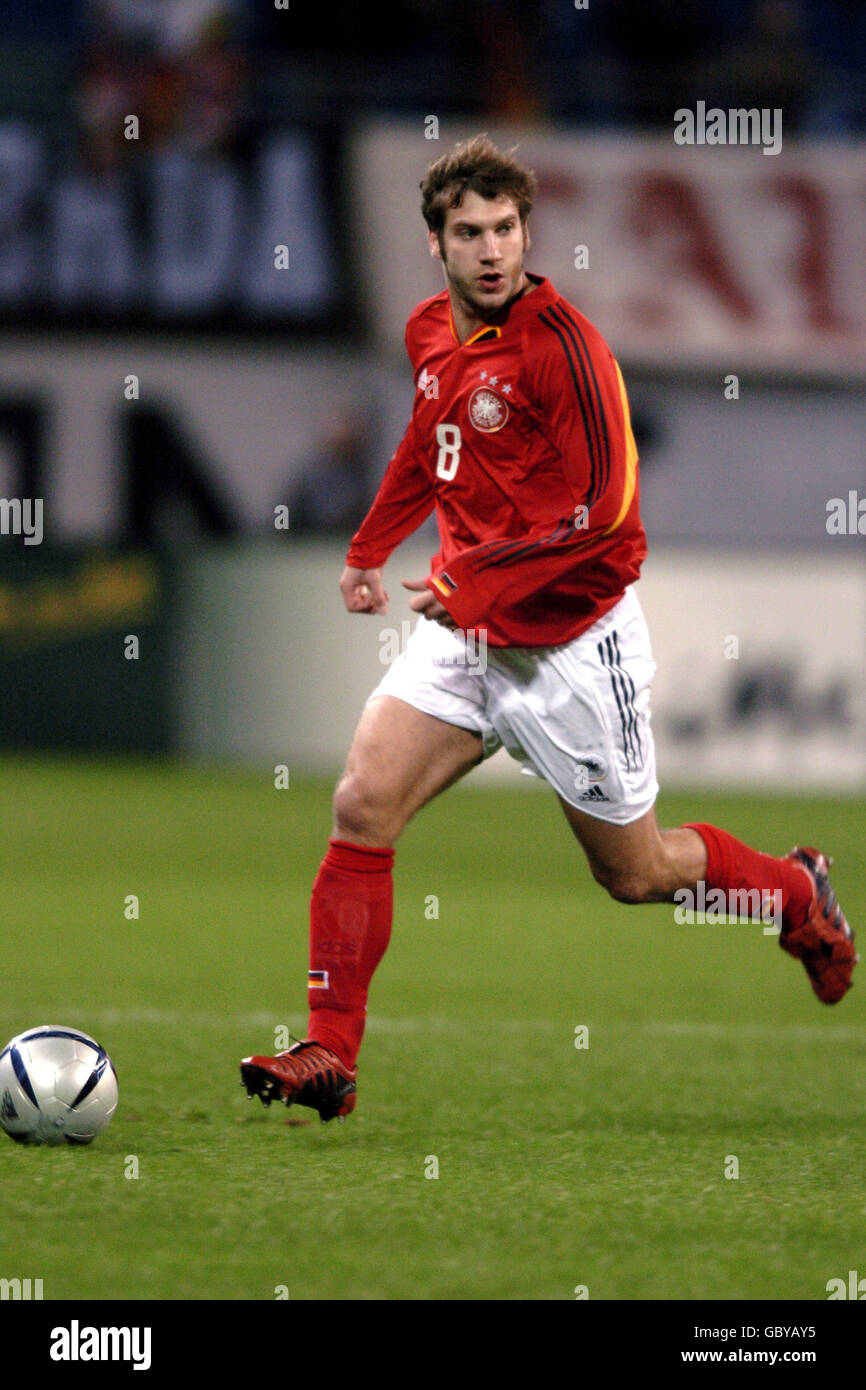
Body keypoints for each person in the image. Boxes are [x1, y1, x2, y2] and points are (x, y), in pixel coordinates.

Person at [241, 135, 856, 1123]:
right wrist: (368, 548)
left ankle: (791, 892)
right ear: (433, 244)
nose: (490, 249)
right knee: (361, 803)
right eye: (468, 232)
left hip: (571, 643)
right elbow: (426, 443)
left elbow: (601, 516)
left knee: (636, 871)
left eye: (505, 229)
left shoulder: (564, 351)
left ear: (526, 233)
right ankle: (331, 1052)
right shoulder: (428, 334)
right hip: (464, 627)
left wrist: (477, 576)